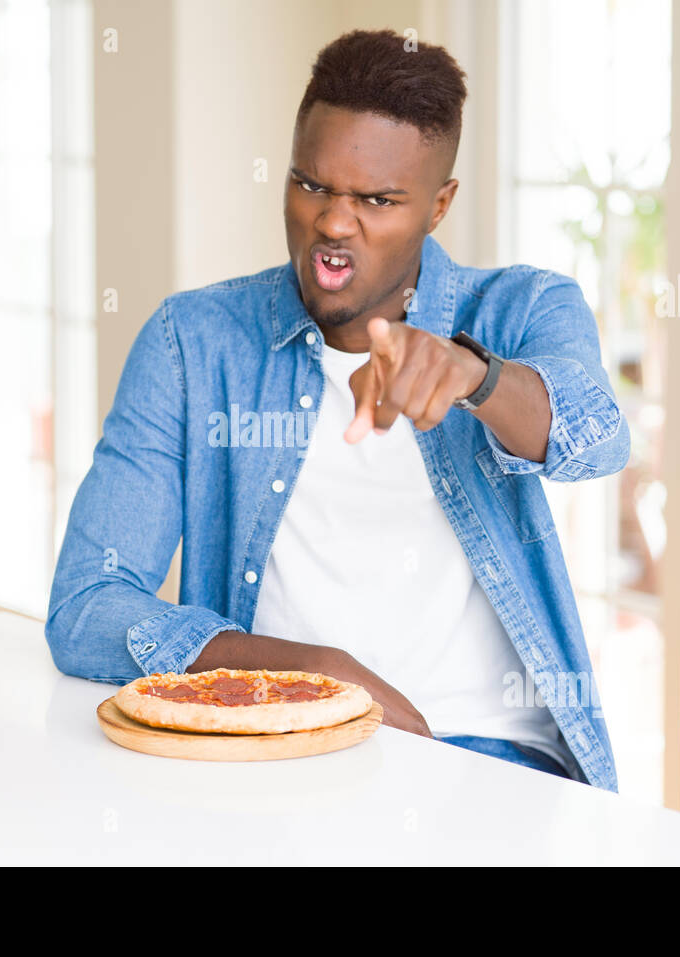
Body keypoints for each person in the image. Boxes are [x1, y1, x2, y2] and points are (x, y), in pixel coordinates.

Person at [46, 29, 631, 790]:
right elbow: (88, 604)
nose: (332, 222)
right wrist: (316, 674)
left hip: (487, 761)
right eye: (311, 184)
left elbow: (595, 434)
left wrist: (470, 374)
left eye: (378, 200)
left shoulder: (523, 307)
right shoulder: (193, 344)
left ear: (439, 204)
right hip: (285, 747)